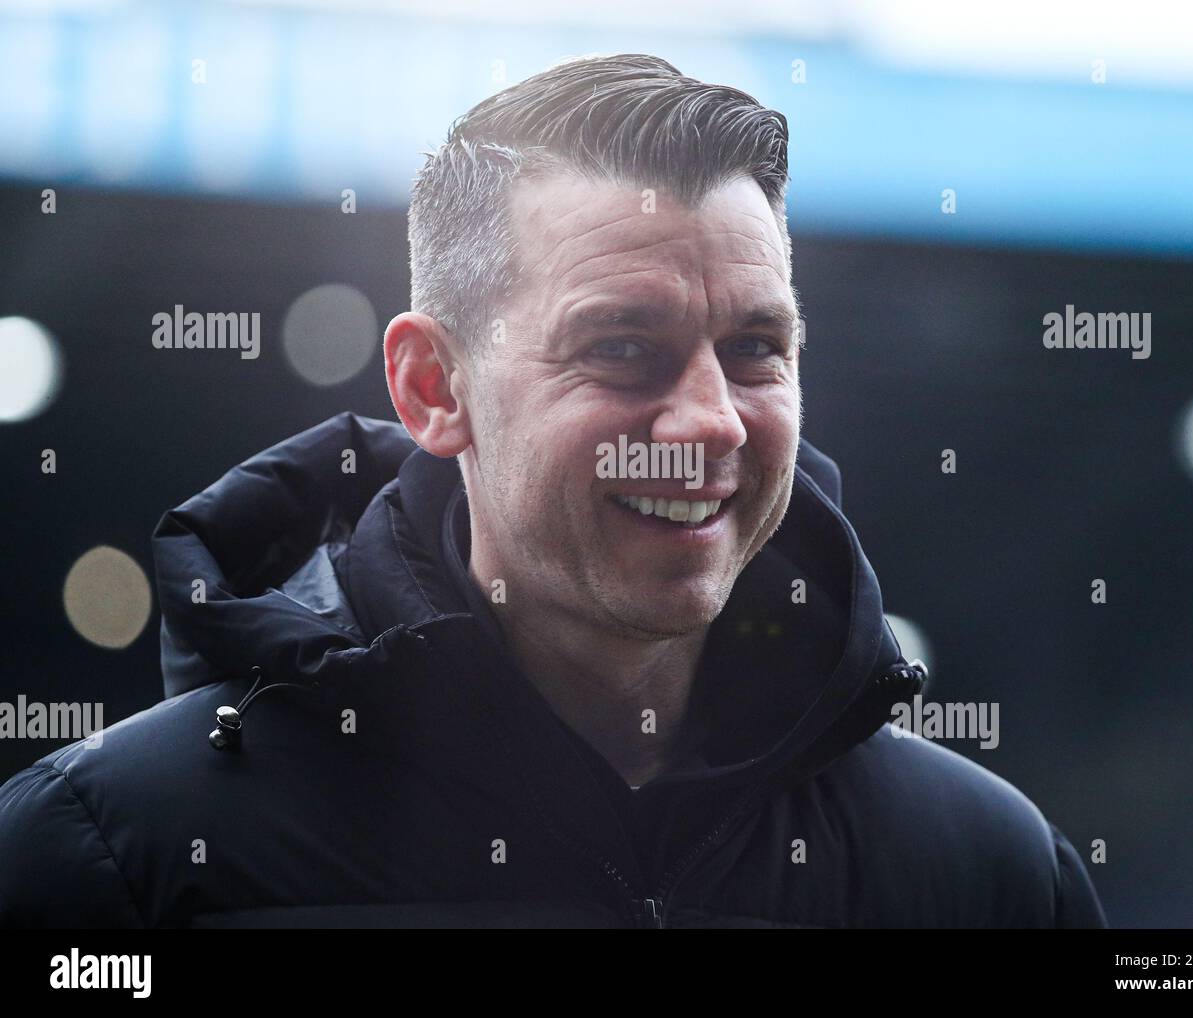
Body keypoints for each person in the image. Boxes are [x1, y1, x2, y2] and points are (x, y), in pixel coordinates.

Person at [0, 54, 1106, 928]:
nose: (712, 419)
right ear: (436, 387)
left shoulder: (990, 871)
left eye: (756, 347)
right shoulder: (112, 852)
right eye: (624, 347)